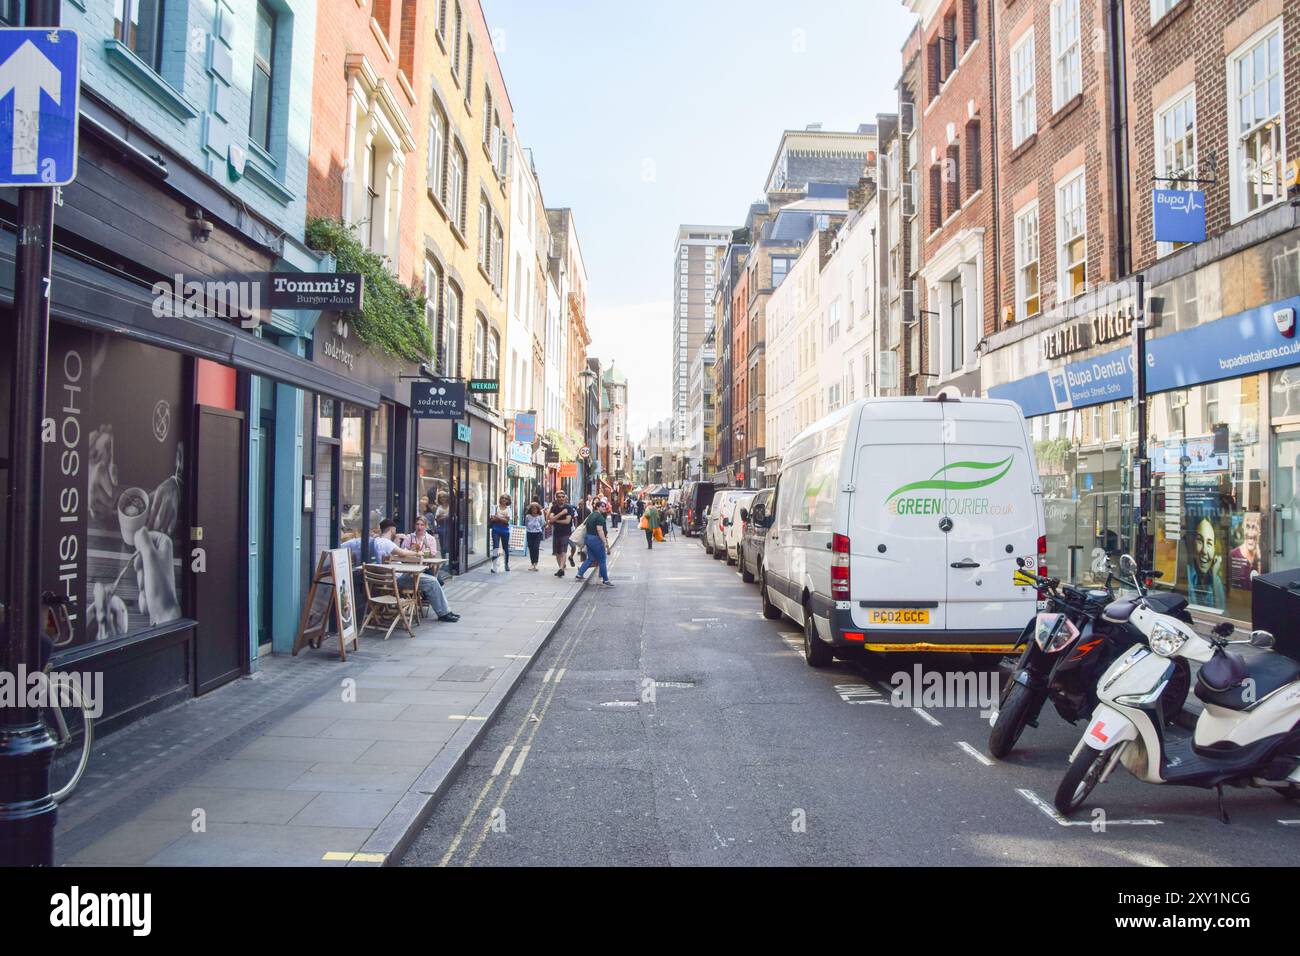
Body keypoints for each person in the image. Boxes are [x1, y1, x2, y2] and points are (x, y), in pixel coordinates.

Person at [345, 520, 459, 622]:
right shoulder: (386, 542)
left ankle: (446, 611)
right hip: (396, 580)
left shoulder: (376, 541)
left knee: (431, 580)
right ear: (392, 530)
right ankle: (444, 613)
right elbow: (402, 553)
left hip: (381, 582)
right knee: (433, 582)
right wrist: (417, 553)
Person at [1187, 517, 1226, 610]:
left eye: (1209, 543)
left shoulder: (1216, 579)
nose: (1204, 551)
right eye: (1200, 541)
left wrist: (1213, 576)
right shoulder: (1187, 574)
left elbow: (1220, 611)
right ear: (1193, 544)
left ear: (1214, 548)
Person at [576, 500, 615, 587]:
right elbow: (600, 530)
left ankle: (579, 574)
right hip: (596, 540)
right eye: (602, 506)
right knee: (602, 560)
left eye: (604, 506)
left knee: (591, 558)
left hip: (588, 538)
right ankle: (605, 580)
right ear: (597, 507)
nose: (604, 508)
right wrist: (605, 543)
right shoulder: (600, 517)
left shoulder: (591, 515)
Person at [1229, 511, 1263, 591]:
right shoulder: (1233, 555)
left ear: (1260, 532)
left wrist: (1259, 561)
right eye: (1247, 527)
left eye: (1254, 528)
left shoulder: (1263, 556)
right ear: (1243, 529)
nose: (1250, 534)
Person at [547, 491, 575, 577]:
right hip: (556, 532)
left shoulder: (569, 508)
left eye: (563, 497)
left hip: (566, 533)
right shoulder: (554, 508)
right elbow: (550, 518)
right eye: (559, 497)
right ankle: (560, 568)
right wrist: (562, 513)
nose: (561, 498)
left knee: (563, 551)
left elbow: (567, 521)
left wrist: (555, 520)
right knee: (557, 553)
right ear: (556, 498)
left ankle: (561, 569)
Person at [490, 494, 513, 573]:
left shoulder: (509, 509)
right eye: (502, 498)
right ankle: (494, 565)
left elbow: (507, 521)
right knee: (495, 547)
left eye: (506, 498)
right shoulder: (495, 507)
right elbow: (492, 518)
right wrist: (503, 518)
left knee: (505, 548)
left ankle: (506, 564)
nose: (504, 499)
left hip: (505, 530)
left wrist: (498, 517)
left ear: (508, 500)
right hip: (495, 529)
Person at [523, 502, 546, 571]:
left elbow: (542, 523)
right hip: (530, 533)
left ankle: (535, 563)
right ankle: (532, 563)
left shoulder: (540, 516)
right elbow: (526, 523)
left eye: (535, 508)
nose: (534, 510)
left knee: (536, 547)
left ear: (537, 509)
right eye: (533, 508)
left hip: (537, 533)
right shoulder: (528, 516)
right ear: (531, 509)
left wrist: (538, 528)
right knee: (531, 548)